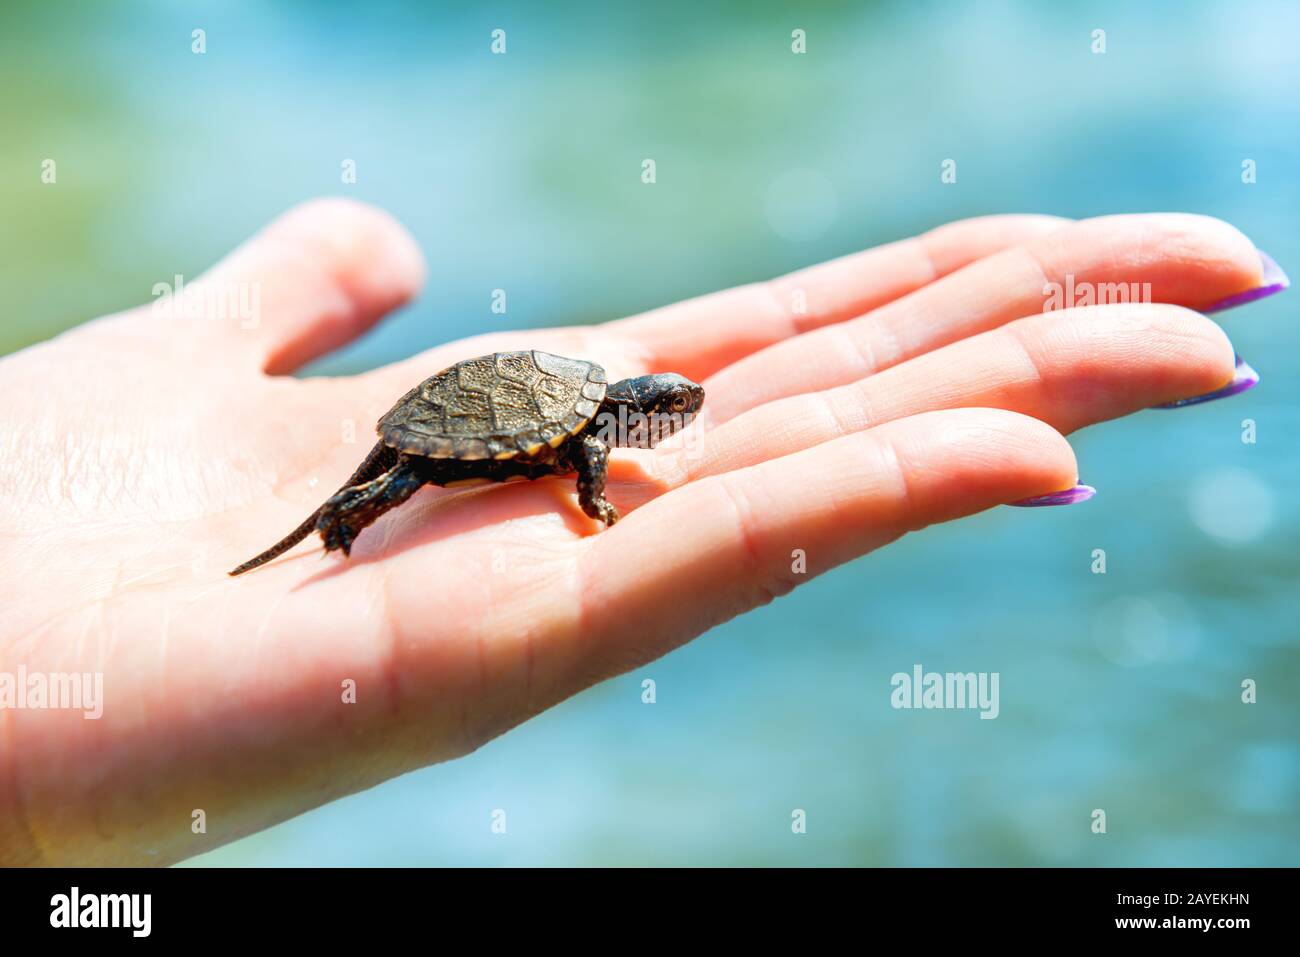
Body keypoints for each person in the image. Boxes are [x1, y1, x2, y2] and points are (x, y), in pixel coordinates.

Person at [0, 199, 1285, 865]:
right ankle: (340, 518)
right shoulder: (584, 433)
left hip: (496, 399)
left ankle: (345, 511)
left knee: (397, 479)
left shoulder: (591, 406)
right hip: (453, 418)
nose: (675, 409)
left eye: (666, 405)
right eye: (666, 404)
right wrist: (593, 503)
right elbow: (571, 470)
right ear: (633, 408)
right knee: (393, 485)